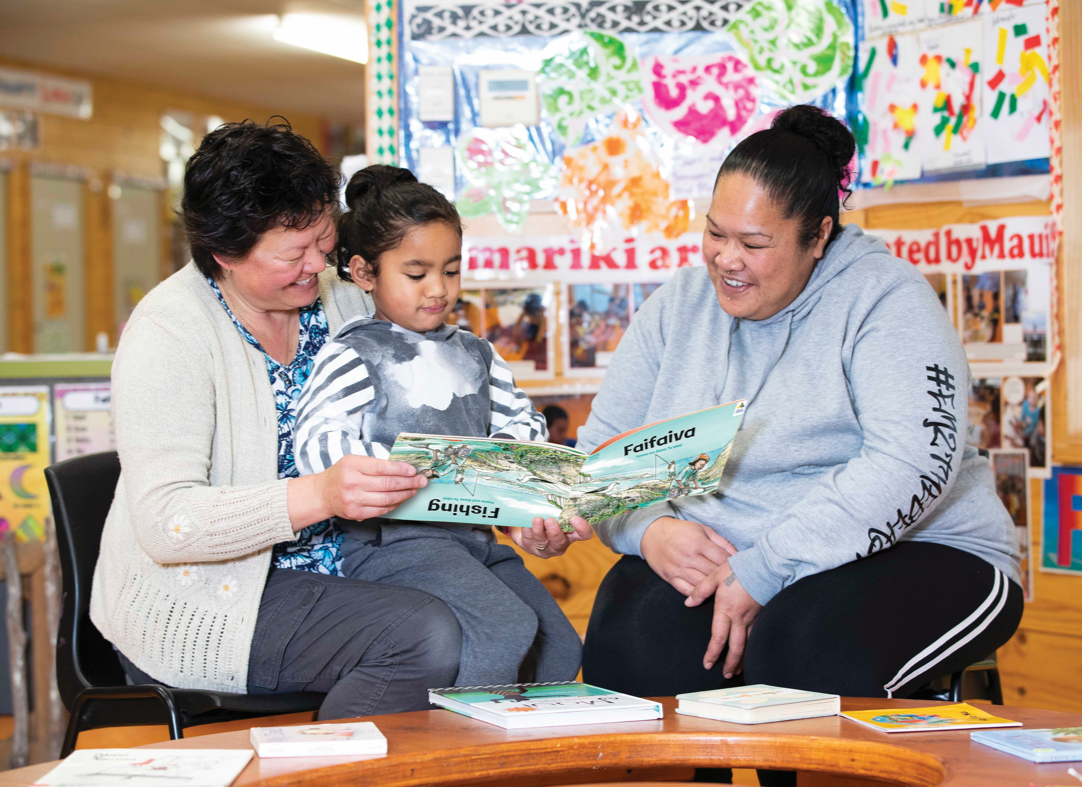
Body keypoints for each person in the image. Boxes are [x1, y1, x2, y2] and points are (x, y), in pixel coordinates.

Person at [579, 106, 1022, 725]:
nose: (726, 259)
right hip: (732, 551)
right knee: (631, 634)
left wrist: (765, 568)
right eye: (715, 233)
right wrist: (650, 529)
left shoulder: (886, 297)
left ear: (818, 237)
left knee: (799, 649)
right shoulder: (676, 306)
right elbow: (603, 460)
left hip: (919, 548)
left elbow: (910, 461)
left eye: (754, 244)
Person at [91, 120, 468, 721]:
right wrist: (318, 494)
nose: (320, 264)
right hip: (214, 595)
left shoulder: (339, 298)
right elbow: (169, 524)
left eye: (325, 240)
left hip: (351, 562)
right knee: (422, 634)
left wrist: (519, 501)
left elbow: (441, 404)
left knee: (513, 618)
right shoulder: (170, 333)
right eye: (295, 254)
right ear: (225, 255)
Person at [293, 165, 591, 686]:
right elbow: (317, 443)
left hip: (475, 540)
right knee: (503, 627)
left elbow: (520, 424)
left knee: (558, 645)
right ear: (364, 273)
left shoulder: (478, 353)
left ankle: (527, 758)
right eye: (416, 274)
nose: (438, 289)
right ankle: (464, 749)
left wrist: (518, 477)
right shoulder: (353, 352)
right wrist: (400, 470)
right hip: (395, 545)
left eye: (451, 271)